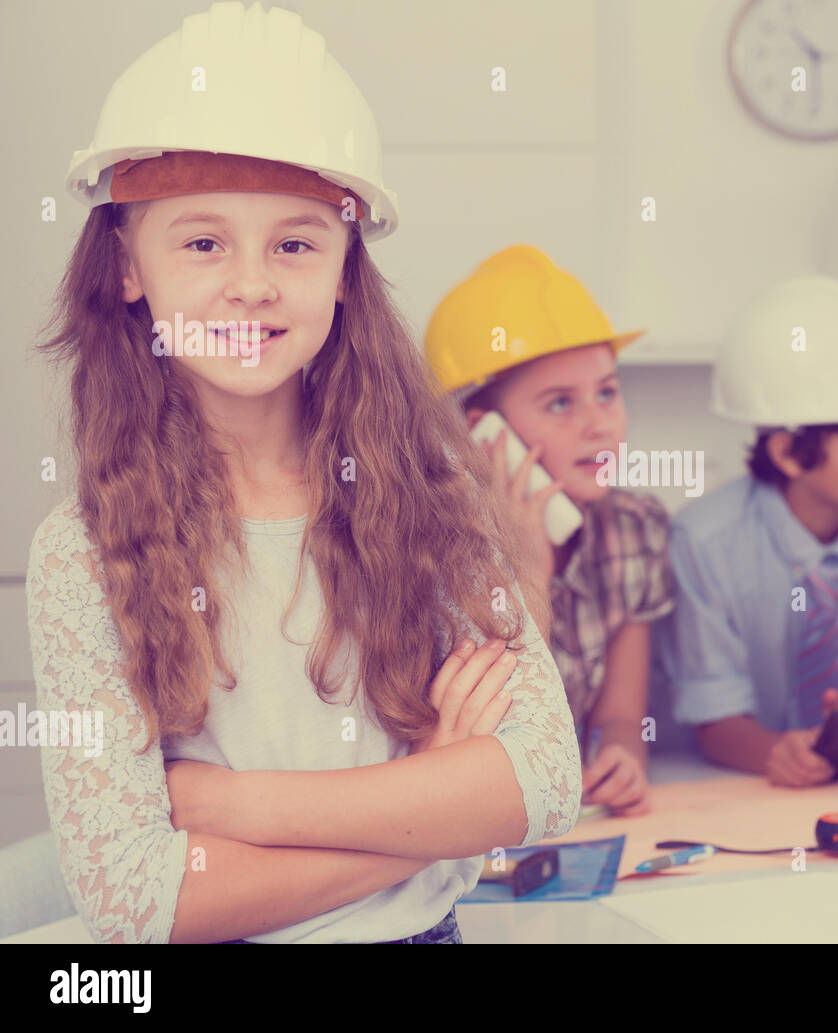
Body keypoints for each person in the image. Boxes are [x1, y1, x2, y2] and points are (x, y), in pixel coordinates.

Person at [27, 1, 580, 944]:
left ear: (343, 269)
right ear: (128, 266)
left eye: (295, 242)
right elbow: (136, 903)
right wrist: (431, 817)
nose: (252, 282)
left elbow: (542, 782)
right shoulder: (79, 554)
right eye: (203, 242)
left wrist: (231, 808)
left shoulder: (434, 501)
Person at [660, 275, 838, 786]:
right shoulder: (704, 540)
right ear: (789, 453)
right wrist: (780, 753)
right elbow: (715, 721)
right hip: (727, 785)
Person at [424, 245, 674, 816]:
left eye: (607, 392)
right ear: (483, 434)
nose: (599, 424)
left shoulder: (634, 530)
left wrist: (624, 759)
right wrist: (524, 570)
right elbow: (467, 745)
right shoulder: (432, 554)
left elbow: (620, 719)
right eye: (560, 403)